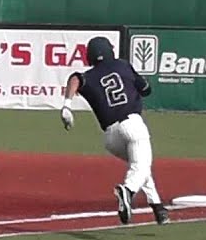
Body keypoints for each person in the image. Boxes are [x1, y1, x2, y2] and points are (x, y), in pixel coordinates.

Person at [60, 35, 170, 225]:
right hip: (132, 125)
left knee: (140, 165)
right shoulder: (123, 65)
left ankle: (157, 207)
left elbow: (74, 78)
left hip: (111, 137)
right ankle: (127, 191)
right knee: (141, 165)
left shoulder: (89, 76)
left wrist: (67, 105)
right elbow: (146, 89)